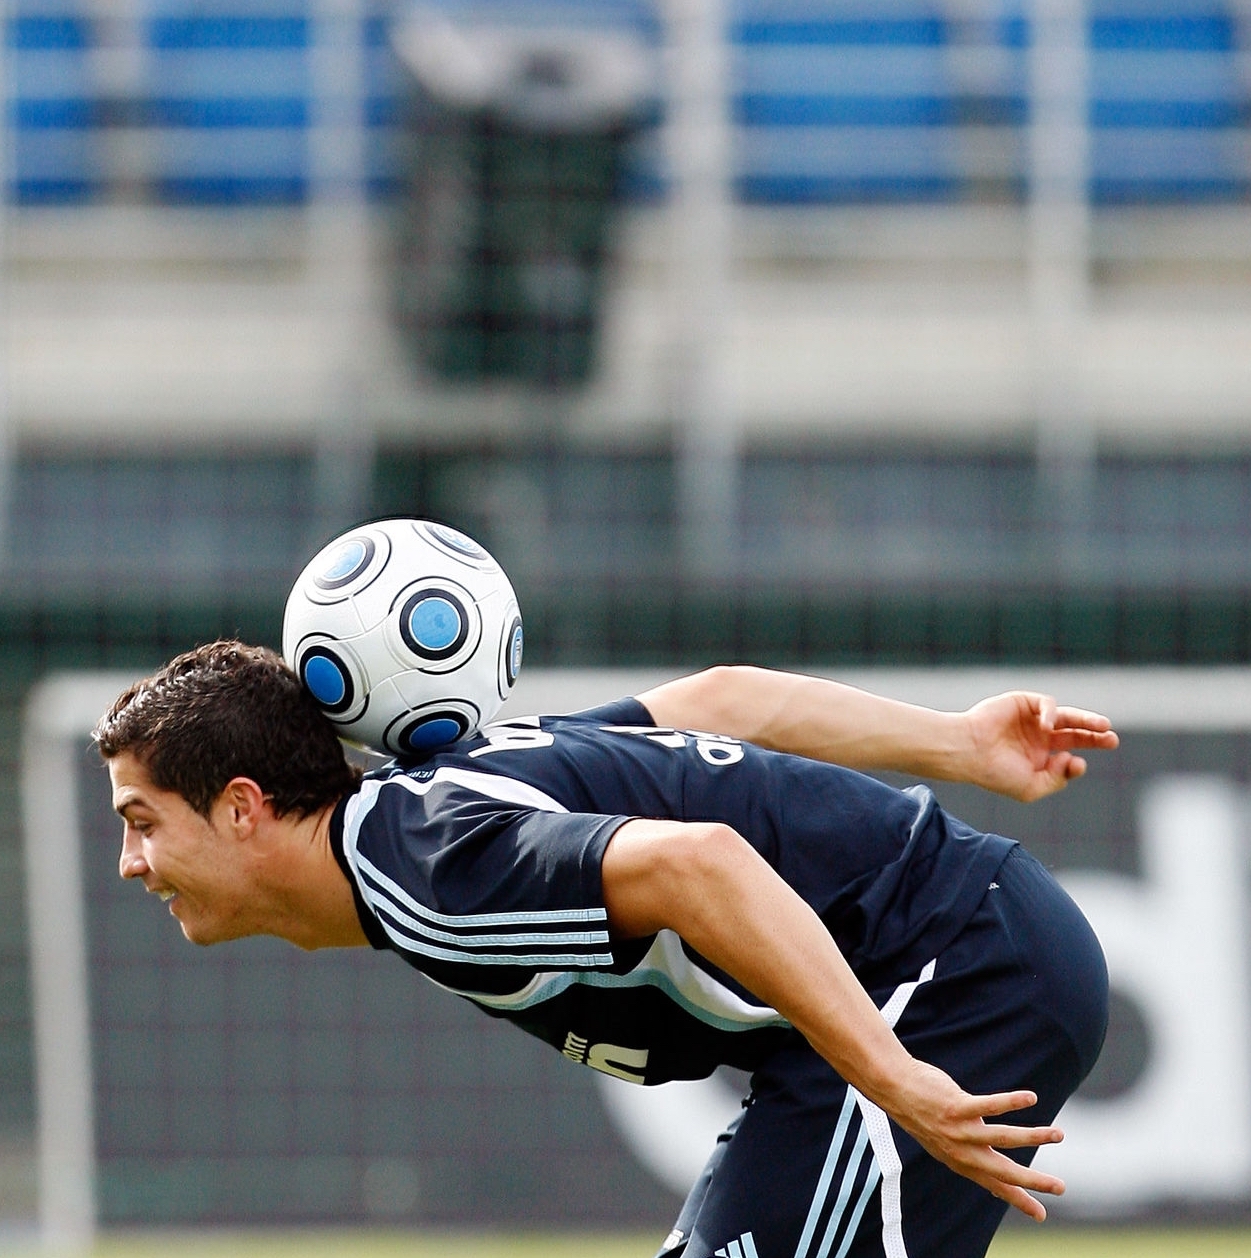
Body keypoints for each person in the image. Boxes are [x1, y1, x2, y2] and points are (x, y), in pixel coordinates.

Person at [94, 640, 1117, 1258]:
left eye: (143, 820)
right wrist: (957, 743)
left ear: (241, 809)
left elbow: (701, 863)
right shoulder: (423, 814)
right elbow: (724, 702)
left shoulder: (431, 867)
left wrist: (894, 1077)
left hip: (955, 965)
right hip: (937, 960)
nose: (132, 862)